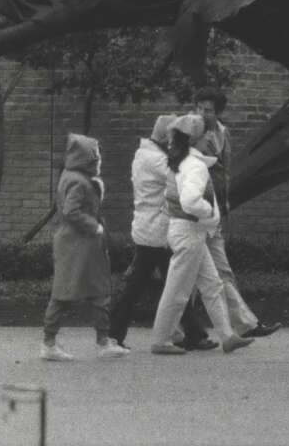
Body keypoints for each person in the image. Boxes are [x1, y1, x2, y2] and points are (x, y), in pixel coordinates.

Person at [108, 115, 215, 351]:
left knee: (169, 281)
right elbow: (182, 176)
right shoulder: (156, 160)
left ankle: (193, 333)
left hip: (151, 228)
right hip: (156, 230)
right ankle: (114, 333)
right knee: (163, 283)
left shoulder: (146, 154)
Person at [149, 115, 253, 356]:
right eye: (207, 133)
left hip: (188, 232)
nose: (210, 136)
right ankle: (161, 339)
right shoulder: (194, 166)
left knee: (212, 284)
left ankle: (227, 336)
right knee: (177, 289)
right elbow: (190, 200)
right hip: (190, 232)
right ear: (197, 138)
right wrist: (208, 213)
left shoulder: (182, 162)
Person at [191, 88, 280, 339]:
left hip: (214, 209)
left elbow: (225, 170)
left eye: (207, 109)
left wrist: (226, 199)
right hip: (194, 211)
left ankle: (245, 325)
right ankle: (181, 332)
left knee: (220, 270)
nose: (202, 113)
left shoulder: (222, 132)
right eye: (199, 107)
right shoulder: (189, 131)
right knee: (189, 276)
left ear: (218, 112)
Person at [41, 133, 130, 361]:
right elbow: (72, 211)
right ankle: (59, 343)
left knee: (81, 291)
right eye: (96, 155)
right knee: (74, 292)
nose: (99, 159)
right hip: (79, 243)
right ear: (86, 158)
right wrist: (94, 227)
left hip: (77, 243)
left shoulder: (72, 176)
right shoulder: (79, 181)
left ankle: (57, 342)